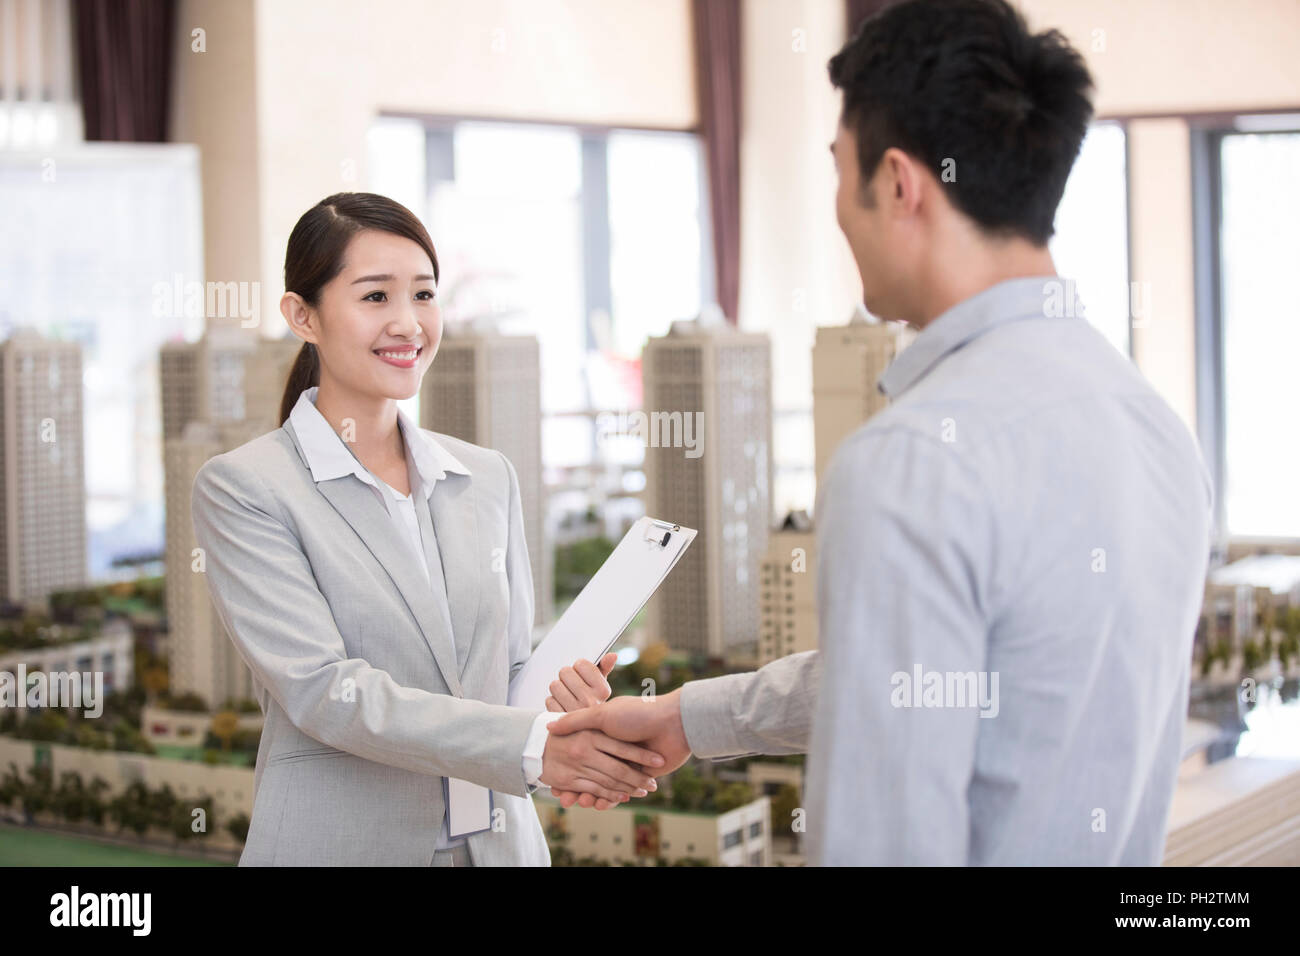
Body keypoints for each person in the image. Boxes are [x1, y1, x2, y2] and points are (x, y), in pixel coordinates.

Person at [547, 0, 1214, 865]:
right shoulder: (1153, 425)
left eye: (838, 169)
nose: (835, 208)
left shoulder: (911, 462)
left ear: (900, 184)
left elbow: (883, 836)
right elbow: (945, 679)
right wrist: (685, 718)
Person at [190, 192, 662, 866]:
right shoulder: (247, 487)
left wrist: (562, 699)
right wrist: (533, 747)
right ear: (303, 315)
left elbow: (508, 666)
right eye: (375, 297)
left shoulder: (486, 476)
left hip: (499, 847)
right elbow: (326, 692)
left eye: (424, 295)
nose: (409, 324)